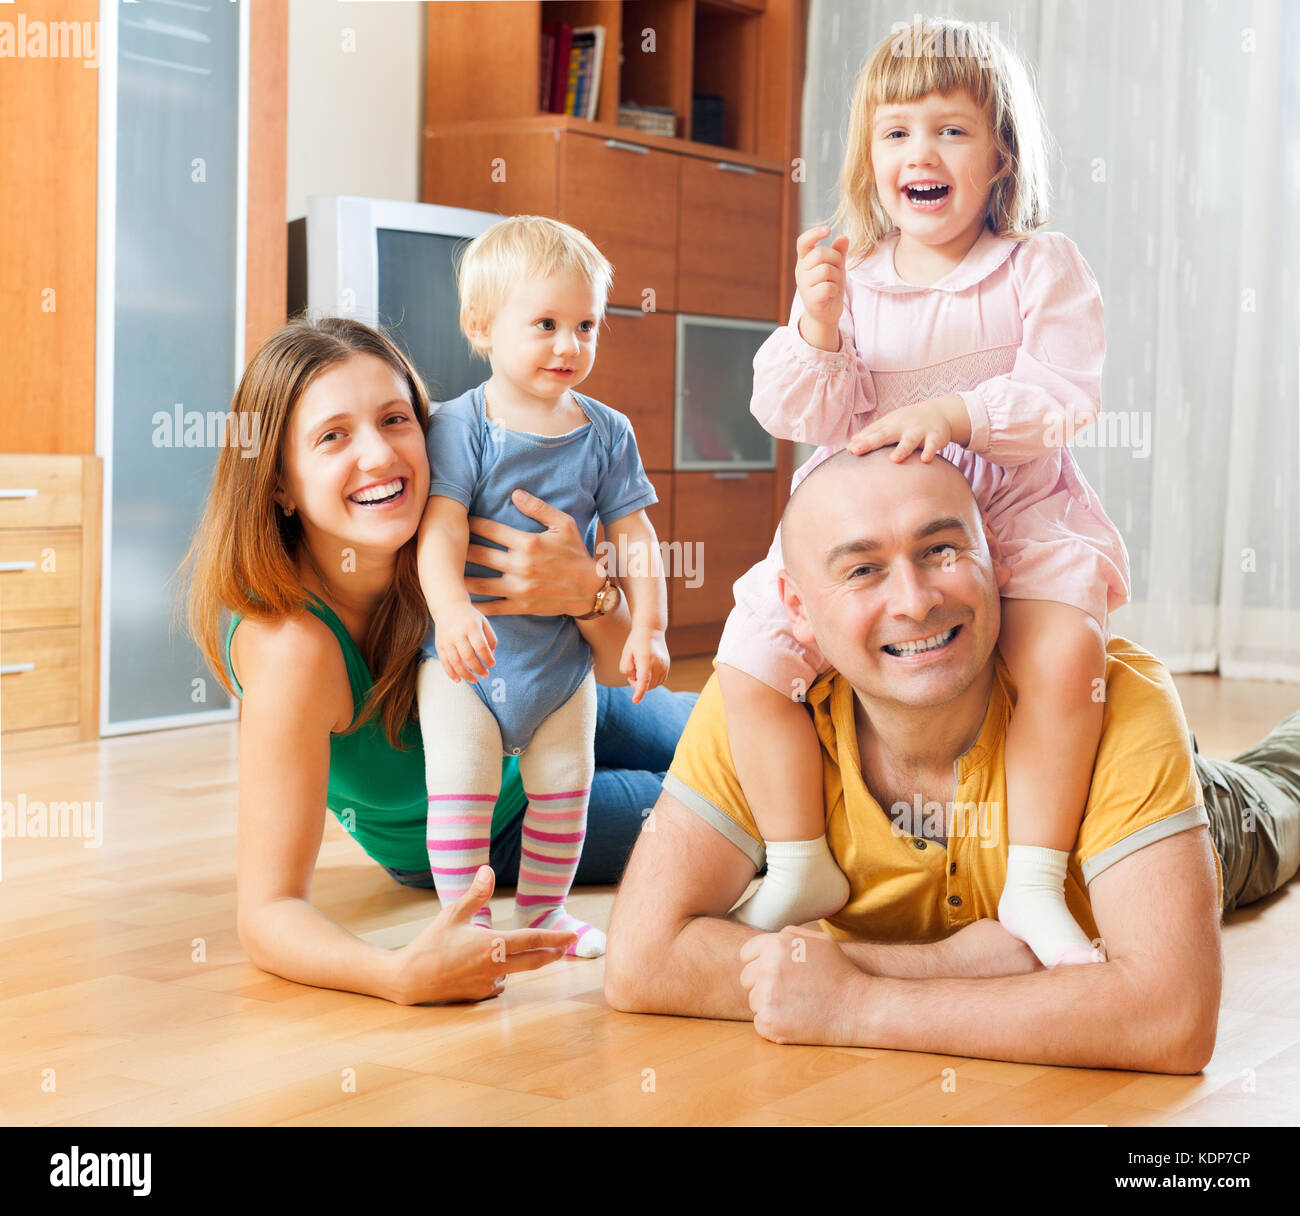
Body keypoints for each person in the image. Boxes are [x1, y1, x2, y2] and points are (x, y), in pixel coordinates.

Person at [604, 448, 1300, 1073]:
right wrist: (946, 966)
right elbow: (642, 962)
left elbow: (1171, 1019)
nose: (914, 601)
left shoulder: (1118, 699)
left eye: (940, 550)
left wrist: (858, 1006)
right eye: (862, 569)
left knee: (1286, 780)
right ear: (796, 607)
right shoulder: (761, 705)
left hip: (1223, 816)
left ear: (994, 555)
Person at [717, 17, 1127, 972]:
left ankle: (1032, 879)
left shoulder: (1038, 265)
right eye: (897, 131)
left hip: (1009, 510)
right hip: (869, 523)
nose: (922, 152)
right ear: (870, 154)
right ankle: (798, 858)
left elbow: (1067, 394)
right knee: (748, 654)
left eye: (951, 129)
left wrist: (959, 413)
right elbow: (796, 410)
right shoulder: (852, 279)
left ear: (1000, 155)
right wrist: (818, 326)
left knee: (1066, 652)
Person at [180, 316, 694, 1006]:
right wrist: (396, 976)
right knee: (733, 811)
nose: (380, 456)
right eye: (333, 436)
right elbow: (268, 913)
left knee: (743, 727)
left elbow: (613, 670)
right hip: (495, 826)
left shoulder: (456, 526)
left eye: (395, 420)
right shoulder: (294, 648)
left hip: (567, 699)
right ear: (278, 483)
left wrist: (591, 595)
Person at [415, 216, 669, 958]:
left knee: (566, 789)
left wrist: (649, 626)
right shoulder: (460, 425)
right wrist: (452, 608)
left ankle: (546, 912)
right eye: (548, 324)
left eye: (587, 325)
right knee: (461, 793)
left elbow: (635, 536)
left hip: (560, 669)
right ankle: (463, 924)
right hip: (468, 664)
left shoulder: (607, 432)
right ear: (481, 326)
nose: (571, 345)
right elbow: (442, 531)